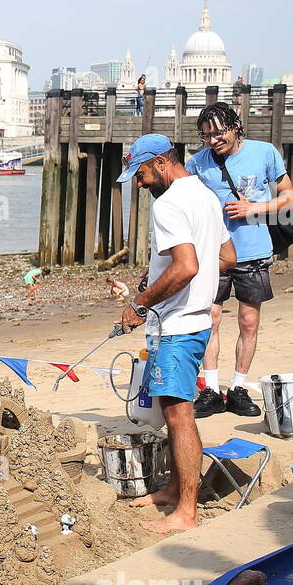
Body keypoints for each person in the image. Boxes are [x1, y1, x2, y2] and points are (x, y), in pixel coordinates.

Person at [112, 133, 236, 534]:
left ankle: (187, 511)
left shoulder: (168, 204)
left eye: (142, 173)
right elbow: (226, 256)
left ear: (162, 163)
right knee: (172, 410)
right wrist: (163, 272)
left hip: (177, 327)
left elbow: (187, 267)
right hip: (196, 320)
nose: (139, 183)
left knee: (179, 415)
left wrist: (141, 303)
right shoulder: (204, 193)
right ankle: (173, 489)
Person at [185, 101, 293, 419]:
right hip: (213, 255)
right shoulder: (198, 163)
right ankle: (209, 390)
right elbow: (186, 202)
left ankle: (237, 388)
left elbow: (290, 196)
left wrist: (255, 209)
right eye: (206, 135)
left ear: (236, 126)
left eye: (219, 133)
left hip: (254, 252)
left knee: (249, 322)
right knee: (210, 320)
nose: (213, 141)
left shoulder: (264, 153)